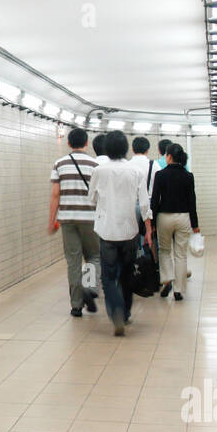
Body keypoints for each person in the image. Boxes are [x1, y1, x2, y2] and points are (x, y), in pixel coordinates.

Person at [89, 129, 153, 336]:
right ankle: (125, 314)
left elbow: (92, 199)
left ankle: (115, 310)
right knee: (126, 274)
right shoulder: (136, 172)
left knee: (108, 276)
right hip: (129, 231)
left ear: (107, 148)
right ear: (126, 148)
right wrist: (149, 230)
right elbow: (144, 204)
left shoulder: (99, 171)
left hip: (107, 231)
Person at [48, 128, 100, 316]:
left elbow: (55, 195)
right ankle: (89, 287)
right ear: (86, 143)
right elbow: (98, 194)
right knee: (94, 256)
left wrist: (51, 220)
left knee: (73, 261)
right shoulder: (95, 164)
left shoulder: (59, 164)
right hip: (90, 218)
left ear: (69, 143)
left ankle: (76, 305)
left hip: (67, 219)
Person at [151, 143, 199, 301]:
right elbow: (192, 201)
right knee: (181, 255)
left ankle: (167, 280)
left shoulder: (160, 175)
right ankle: (178, 290)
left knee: (164, 251)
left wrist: (152, 223)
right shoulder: (188, 176)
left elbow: (154, 201)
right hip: (183, 217)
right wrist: (195, 224)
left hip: (164, 217)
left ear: (169, 156)